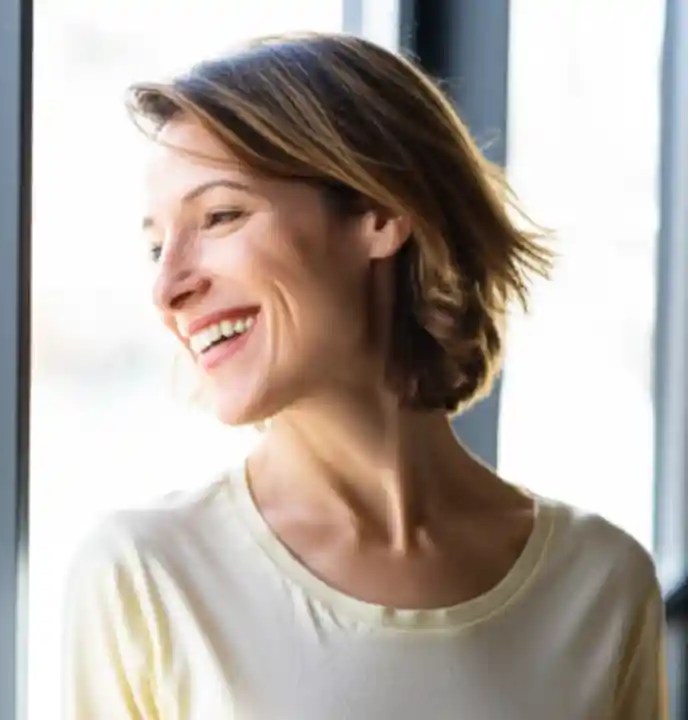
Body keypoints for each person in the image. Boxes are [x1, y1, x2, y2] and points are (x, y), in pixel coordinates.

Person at [61, 32, 667, 719]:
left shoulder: (600, 584)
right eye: (154, 247)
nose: (167, 286)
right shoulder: (146, 577)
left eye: (221, 216)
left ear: (380, 211)